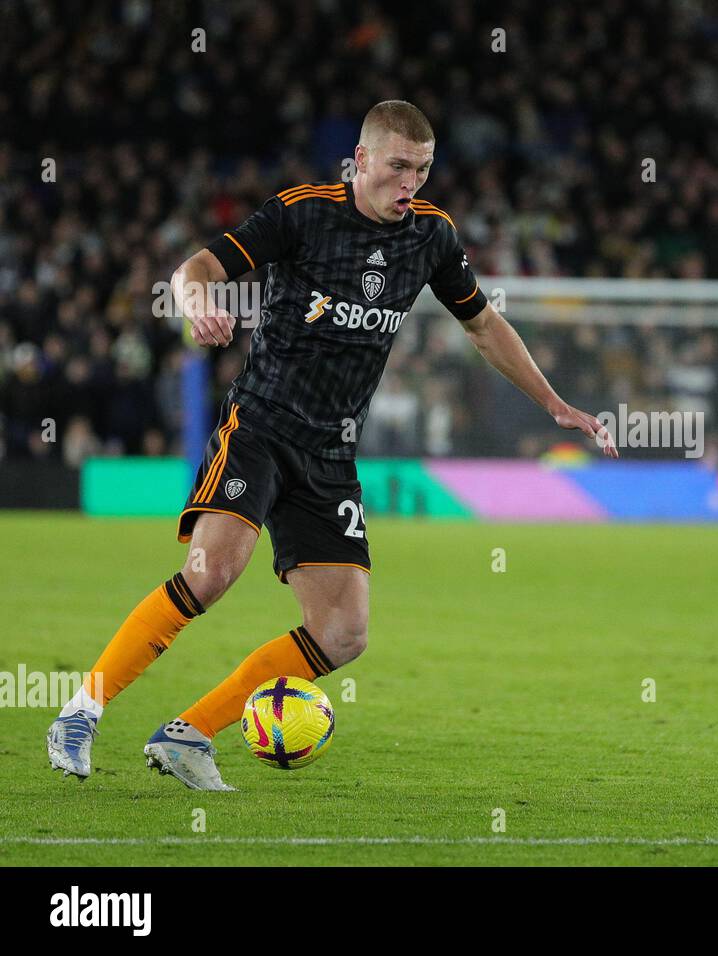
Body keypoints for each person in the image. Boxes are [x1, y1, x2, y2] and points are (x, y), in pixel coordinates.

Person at [48, 100, 616, 791]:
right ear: (363, 159)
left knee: (344, 634)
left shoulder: (431, 237)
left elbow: (484, 326)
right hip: (259, 427)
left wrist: (554, 402)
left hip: (331, 454)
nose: (410, 182)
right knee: (212, 572)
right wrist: (197, 300)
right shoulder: (302, 212)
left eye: (423, 169)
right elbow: (197, 267)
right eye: (399, 166)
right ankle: (82, 711)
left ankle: (188, 733)